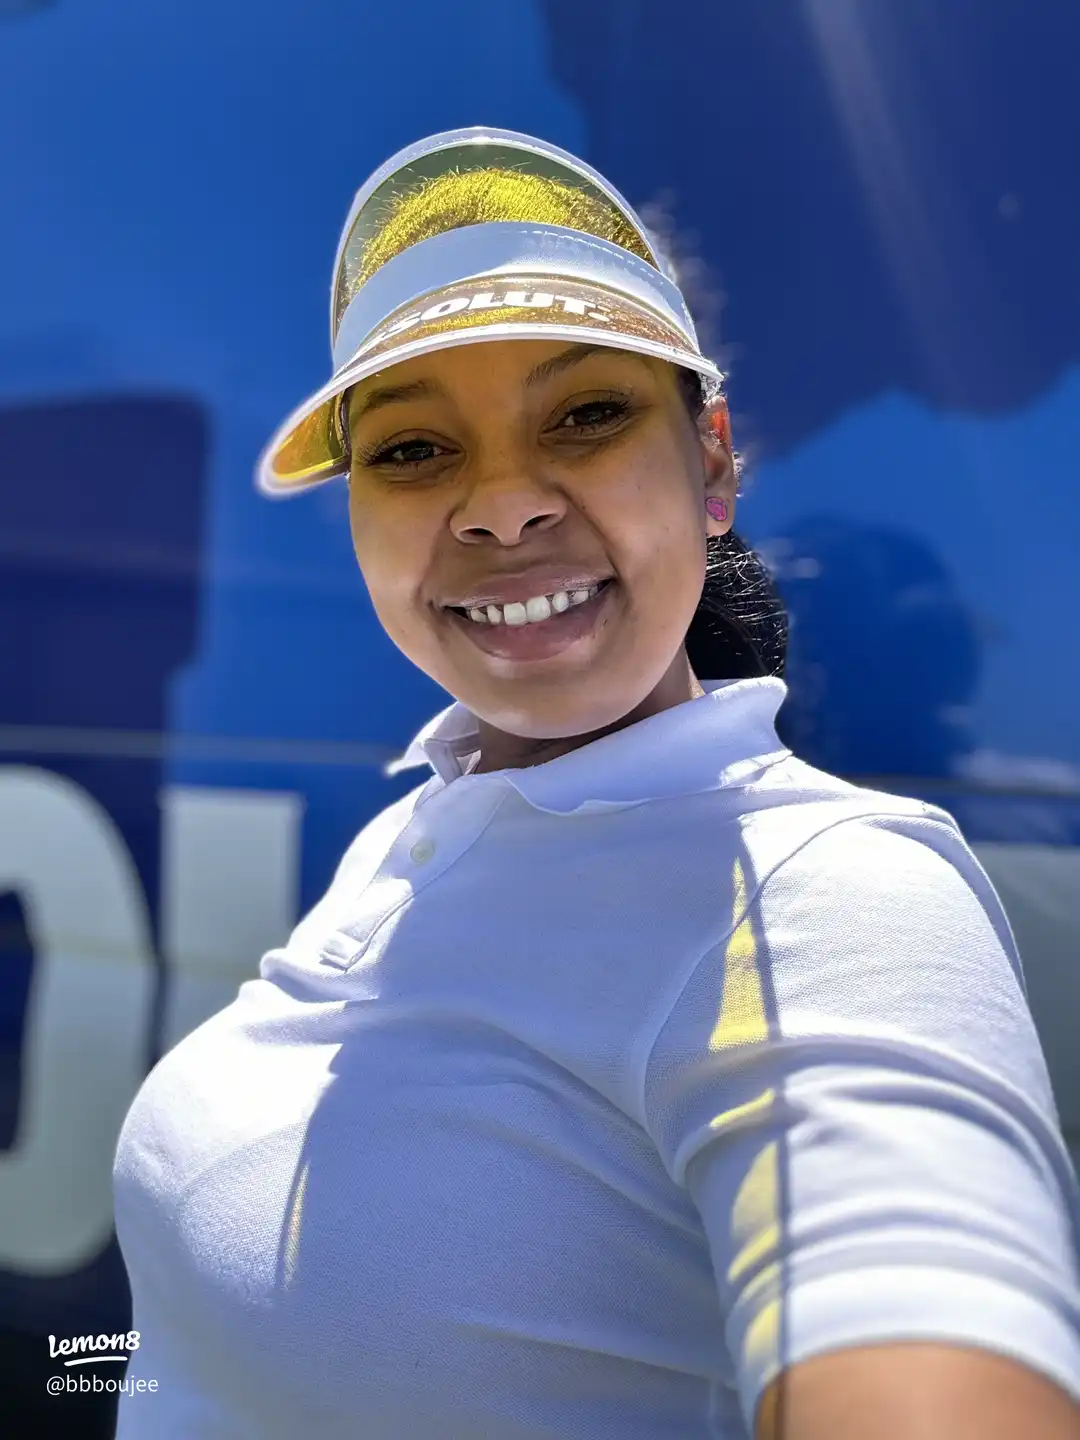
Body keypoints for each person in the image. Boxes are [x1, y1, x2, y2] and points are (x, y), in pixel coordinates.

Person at [111, 128, 1080, 1439]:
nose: (503, 507)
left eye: (585, 414)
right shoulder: (422, 817)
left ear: (715, 460)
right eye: (411, 449)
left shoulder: (822, 891)